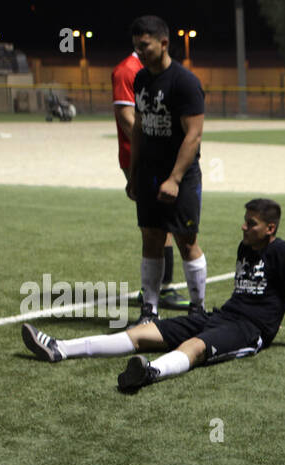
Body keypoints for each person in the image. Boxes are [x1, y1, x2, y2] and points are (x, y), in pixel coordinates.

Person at [20, 199, 285, 391]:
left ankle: (149, 373)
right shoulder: (245, 246)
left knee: (194, 347)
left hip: (249, 331)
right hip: (222, 315)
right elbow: (257, 293)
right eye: (244, 221)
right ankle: (60, 349)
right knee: (142, 332)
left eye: (250, 223)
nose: (243, 227)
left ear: (270, 229)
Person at [126, 15, 207, 321]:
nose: (140, 52)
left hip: (181, 177)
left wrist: (175, 178)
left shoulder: (185, 82)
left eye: (144, 45)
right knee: (150, 237)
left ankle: (198, 309)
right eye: (136, 47)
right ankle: (150, 308)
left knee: (187, 242)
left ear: (163, 43)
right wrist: (134, 174)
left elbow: (194, 135)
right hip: (149, 174)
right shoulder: (141, 79)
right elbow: (139, 128)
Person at [113, 48, 188, 310]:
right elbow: (126, 117)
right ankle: (160, 290)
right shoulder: (127, 70)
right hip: (141, 158)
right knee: (155, 225)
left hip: (157, 158)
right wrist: (149, 152)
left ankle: (159, 288)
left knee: (161, 223)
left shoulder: (157, 72)